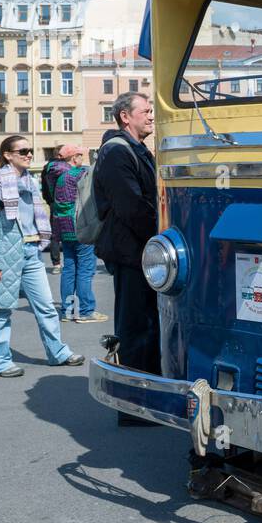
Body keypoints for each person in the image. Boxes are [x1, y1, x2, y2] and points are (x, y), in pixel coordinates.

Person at [0, 135, 84, 377]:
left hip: (31, 252)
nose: (28, 154)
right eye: (22, 151)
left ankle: (58, 353)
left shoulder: (30, 182)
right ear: (7, 155)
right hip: (4, 255)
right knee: (0, 309)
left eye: (30, 150)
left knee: (46, 306)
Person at [94, 92, 160, 376]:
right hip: (131, 251)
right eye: (145, 111)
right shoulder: (117, 151)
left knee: (146, 321)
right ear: (125, 116)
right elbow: (132, 207)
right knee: (135, 325)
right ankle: (136, 401)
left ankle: (150, 382)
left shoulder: (136, 149)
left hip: (140, 251)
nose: (151, 116)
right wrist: (160, 235)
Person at [48, 144, 106, 323]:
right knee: (85, 270)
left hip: (63, 228)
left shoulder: (57, 176)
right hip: (80, 225)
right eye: (80, 156)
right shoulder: (78, 174)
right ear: (74, 158)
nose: (82, 159)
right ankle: (87, 311)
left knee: (69, 269)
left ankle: (67, 311)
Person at [39, 154, 63, 275]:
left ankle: (56, 264)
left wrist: (50, 201)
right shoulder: (63, 168)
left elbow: (44, 190)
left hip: (53, 204)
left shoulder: (46, 169)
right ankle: (71, 263)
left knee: (54, 235)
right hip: (65, 203)